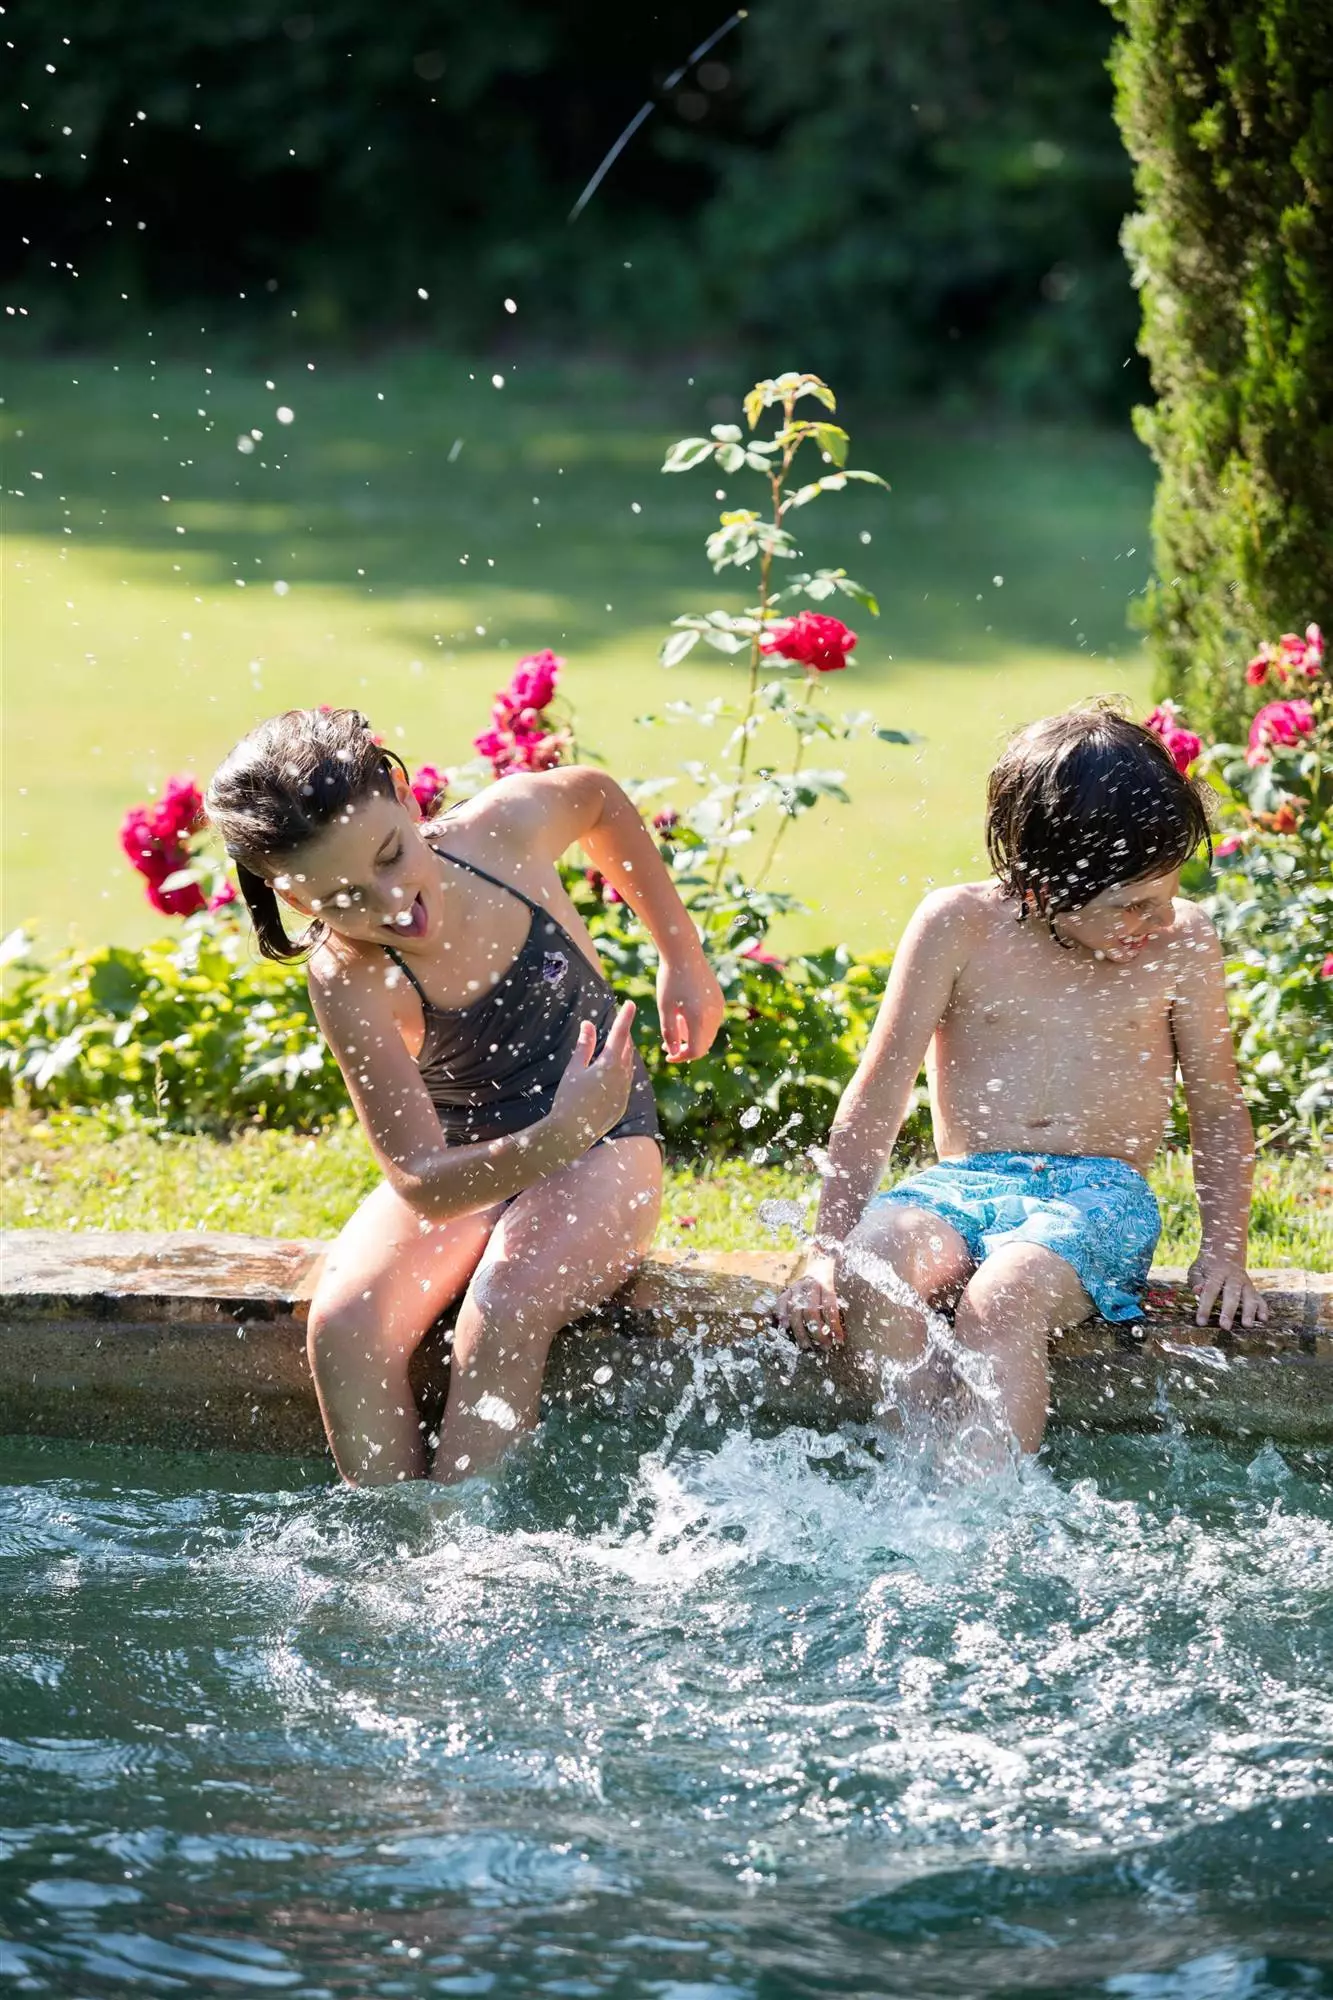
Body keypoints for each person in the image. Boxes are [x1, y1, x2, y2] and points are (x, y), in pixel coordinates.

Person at [206, 707, 724, 1485]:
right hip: (474, 1159)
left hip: (605, 1141)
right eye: (339, 899)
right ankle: (390, 1544)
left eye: (390, 856)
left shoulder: (501, 834)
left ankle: (467, 1554)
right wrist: (550, 1136)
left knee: (504, 1308)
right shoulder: (348, 976)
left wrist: (680, 955)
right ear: (293, 898)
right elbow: (419, 1179)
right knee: (346, 1326)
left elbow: (598, 799)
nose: (386, 904)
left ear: (405, 798)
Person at [775, 703, 1268, 1457]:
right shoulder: (957, 926)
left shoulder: (1181, 942)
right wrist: (825, 1251)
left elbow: (1215, 1104)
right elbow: (874, 1097)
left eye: (1165, 894)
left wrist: (1223, 1249)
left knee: (1002, 1297)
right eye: (1131, 905)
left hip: (1099, 1195)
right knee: (873, 1262)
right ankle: (921, 1483)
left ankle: (983, 1515)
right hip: (961, 1185)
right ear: (1040, 888)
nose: (1156, 919)